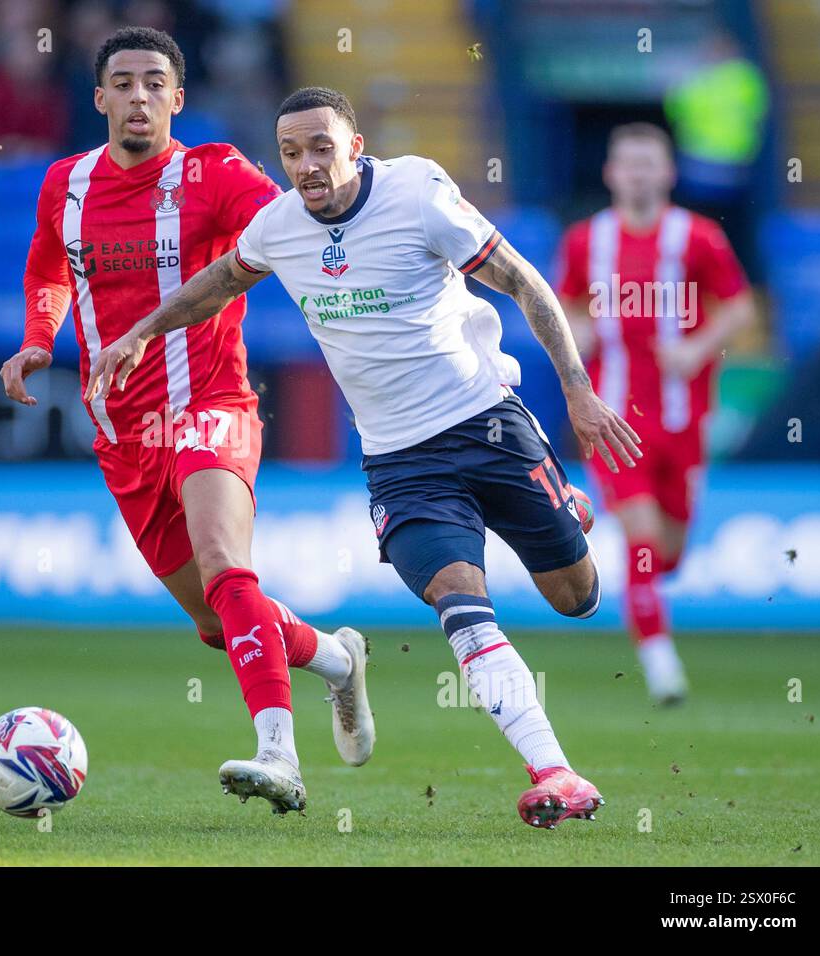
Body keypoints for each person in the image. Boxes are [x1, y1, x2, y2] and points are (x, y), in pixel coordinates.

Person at [88, 87, 643, 830]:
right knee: (461, 606)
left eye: (321, 147)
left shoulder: (418, 194)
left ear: (355, 146)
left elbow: (522, 282)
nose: (307, 166)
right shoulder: (280, 226)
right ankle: (556, 772)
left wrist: (577, 391)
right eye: (291, 154)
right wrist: (139, 334)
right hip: (401, 462)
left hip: (488, 424)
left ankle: (566, 509)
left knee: (576, 597)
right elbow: (217, 283)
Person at [0, 30, 373, 816]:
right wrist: (39, 338)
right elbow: (46, 266)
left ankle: (280, 753)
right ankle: (337, 660)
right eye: (123, 83)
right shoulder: (64, 183)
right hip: (123, 435)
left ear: (177, 97)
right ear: (99, 98)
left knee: (223, 562)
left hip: (212, 406)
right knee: (215, 619)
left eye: (155, 83)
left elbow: (287, 229)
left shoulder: (217, 173)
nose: (139, 96)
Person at [555, 123, 755, 704]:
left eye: (650, 163)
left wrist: (697, 348)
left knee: (666, 551)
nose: (638, 174)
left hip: (683, 421)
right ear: (611, 173)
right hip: (613, 419)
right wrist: (579, 334)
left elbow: (740, 306)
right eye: (628, 163)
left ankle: (647, 597)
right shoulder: (585, 241)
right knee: (639, 532)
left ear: (667, 173)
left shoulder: (696, 239)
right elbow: (558, 304)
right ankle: (662, 665)